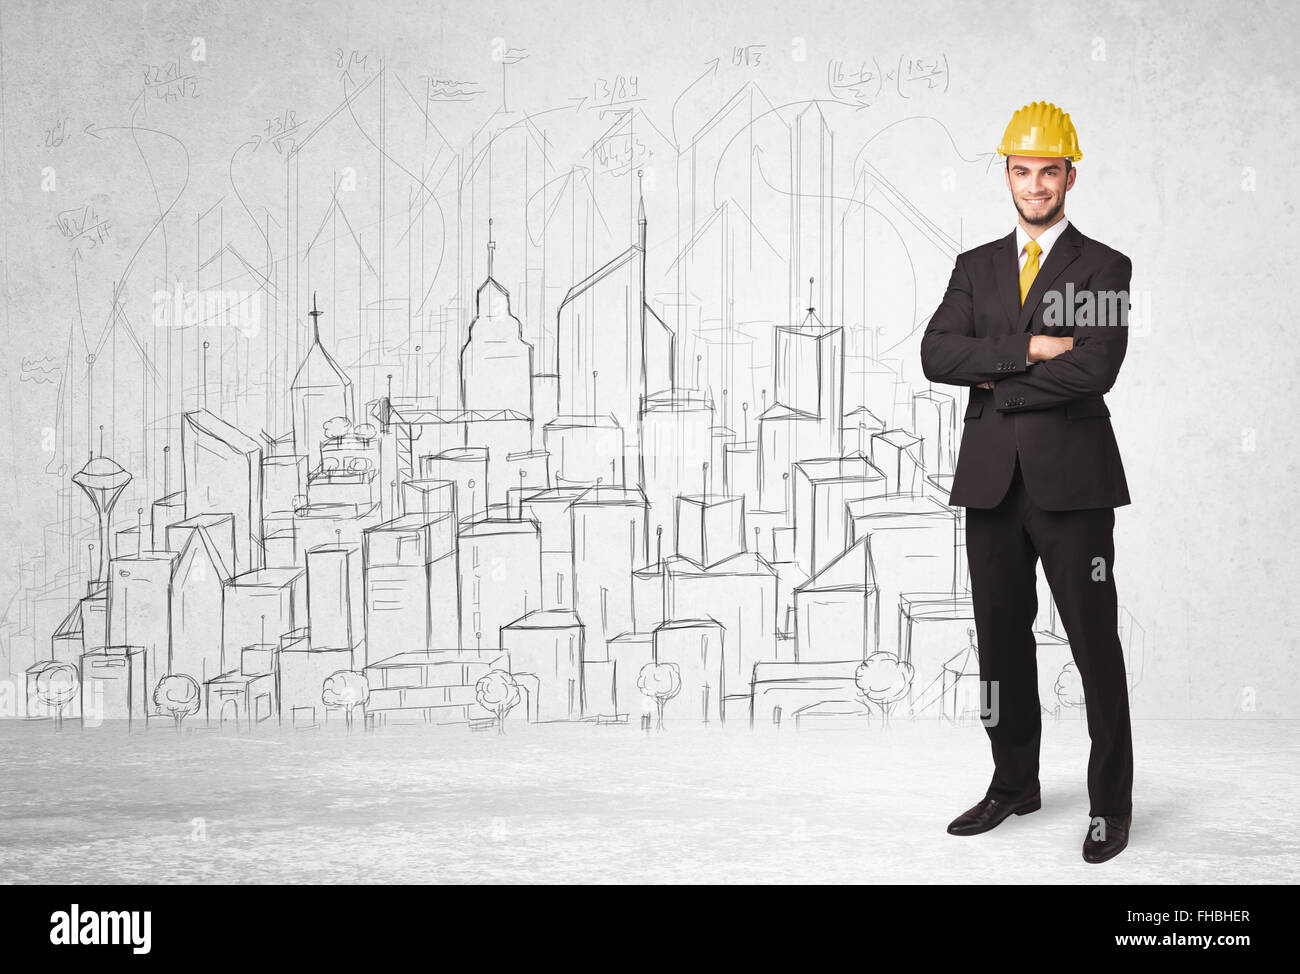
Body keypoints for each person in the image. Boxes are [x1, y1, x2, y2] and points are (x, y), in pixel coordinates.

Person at [919, 101, 1135, 863]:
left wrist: (999, 378)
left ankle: (1111, 805)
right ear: (1006, 174)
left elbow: (1096, 367)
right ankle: (1013, 784)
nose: (1035, 185)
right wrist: (1033, 347)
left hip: (1073, 490)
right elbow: (937, 355)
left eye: (1049, 171)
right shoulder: (974, 266)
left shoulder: (1104, 267)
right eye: (1022, 170)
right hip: (989, 488)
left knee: (1092, 645)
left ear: (1070, 174)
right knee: (1000, 652)